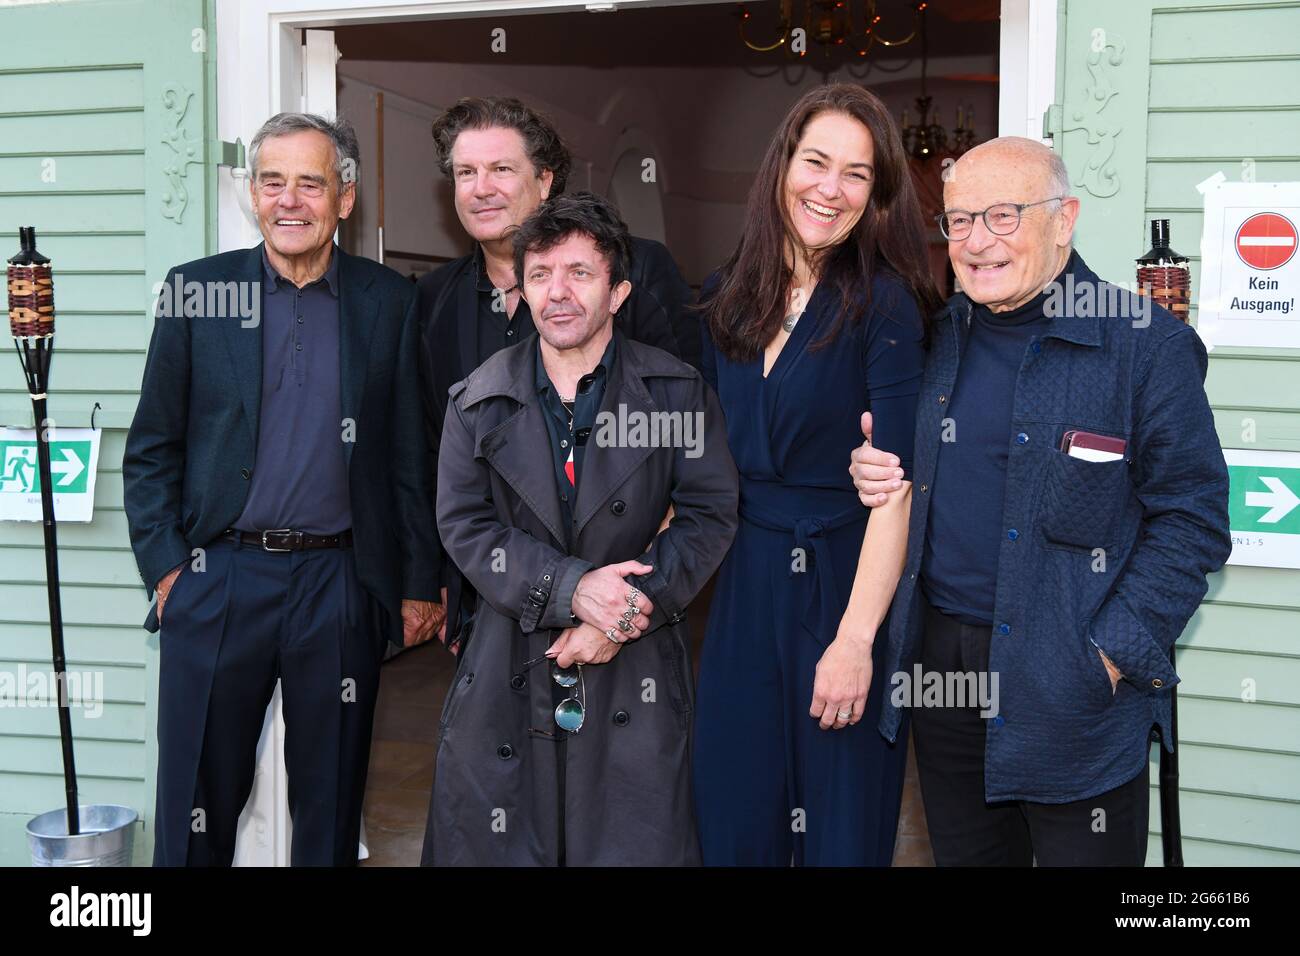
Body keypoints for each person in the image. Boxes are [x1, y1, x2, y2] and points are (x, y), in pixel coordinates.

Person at [849, 136, 1232, 866]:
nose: (976, 241)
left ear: (1065, 219)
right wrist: (869, 463)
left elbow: (1194, 518)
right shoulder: (936, 339)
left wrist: (1109, 656)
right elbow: (901, 463)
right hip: (945, 679)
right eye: (959, 221)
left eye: (1003, 215)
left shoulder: (1145, 346)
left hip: (1076, 688)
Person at [123, 113, 442, 866]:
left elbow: (407, 453)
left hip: (340, 584)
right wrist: (171, 570)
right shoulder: (196, 292)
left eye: (311, 182)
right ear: (254, 194)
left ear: (344, 199)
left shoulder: (388, 301)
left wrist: (418, 580)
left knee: (330, 806)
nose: (289, 200)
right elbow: (150, 448)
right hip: (219, 579)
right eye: (273, 181)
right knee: (197, 805)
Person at [427, 192, 738, 866]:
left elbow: (710, 514)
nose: (557, 293)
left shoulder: (677, 396)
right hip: (507, 658)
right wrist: (572, 589)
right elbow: (465, 525)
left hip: (634, 668)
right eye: (539, 275)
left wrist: (619, 614)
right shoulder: (476, 401)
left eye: (579, 273)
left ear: (618, 291)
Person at [692, 84, 942, 866]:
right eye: (816, 163)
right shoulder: (728, 294)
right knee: (733, 814)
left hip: (842, 582)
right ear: (781, 168)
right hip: (742, 591)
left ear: (875, 198)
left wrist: (857, 642)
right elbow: (696, 459)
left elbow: (896, 490)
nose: (829, 189)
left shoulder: (885, 305)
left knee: (840, 827)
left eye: (857, 175)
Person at [416, 96, 696, 655]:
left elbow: (687, 443)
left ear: (545, 180)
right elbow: (431, 453)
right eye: (465, 172)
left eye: (501, 169)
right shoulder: (429, 301)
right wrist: (443, 585)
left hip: (624, 593)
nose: (480, 187)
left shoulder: (636, 272)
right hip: (493, 599)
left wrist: (627, 599)